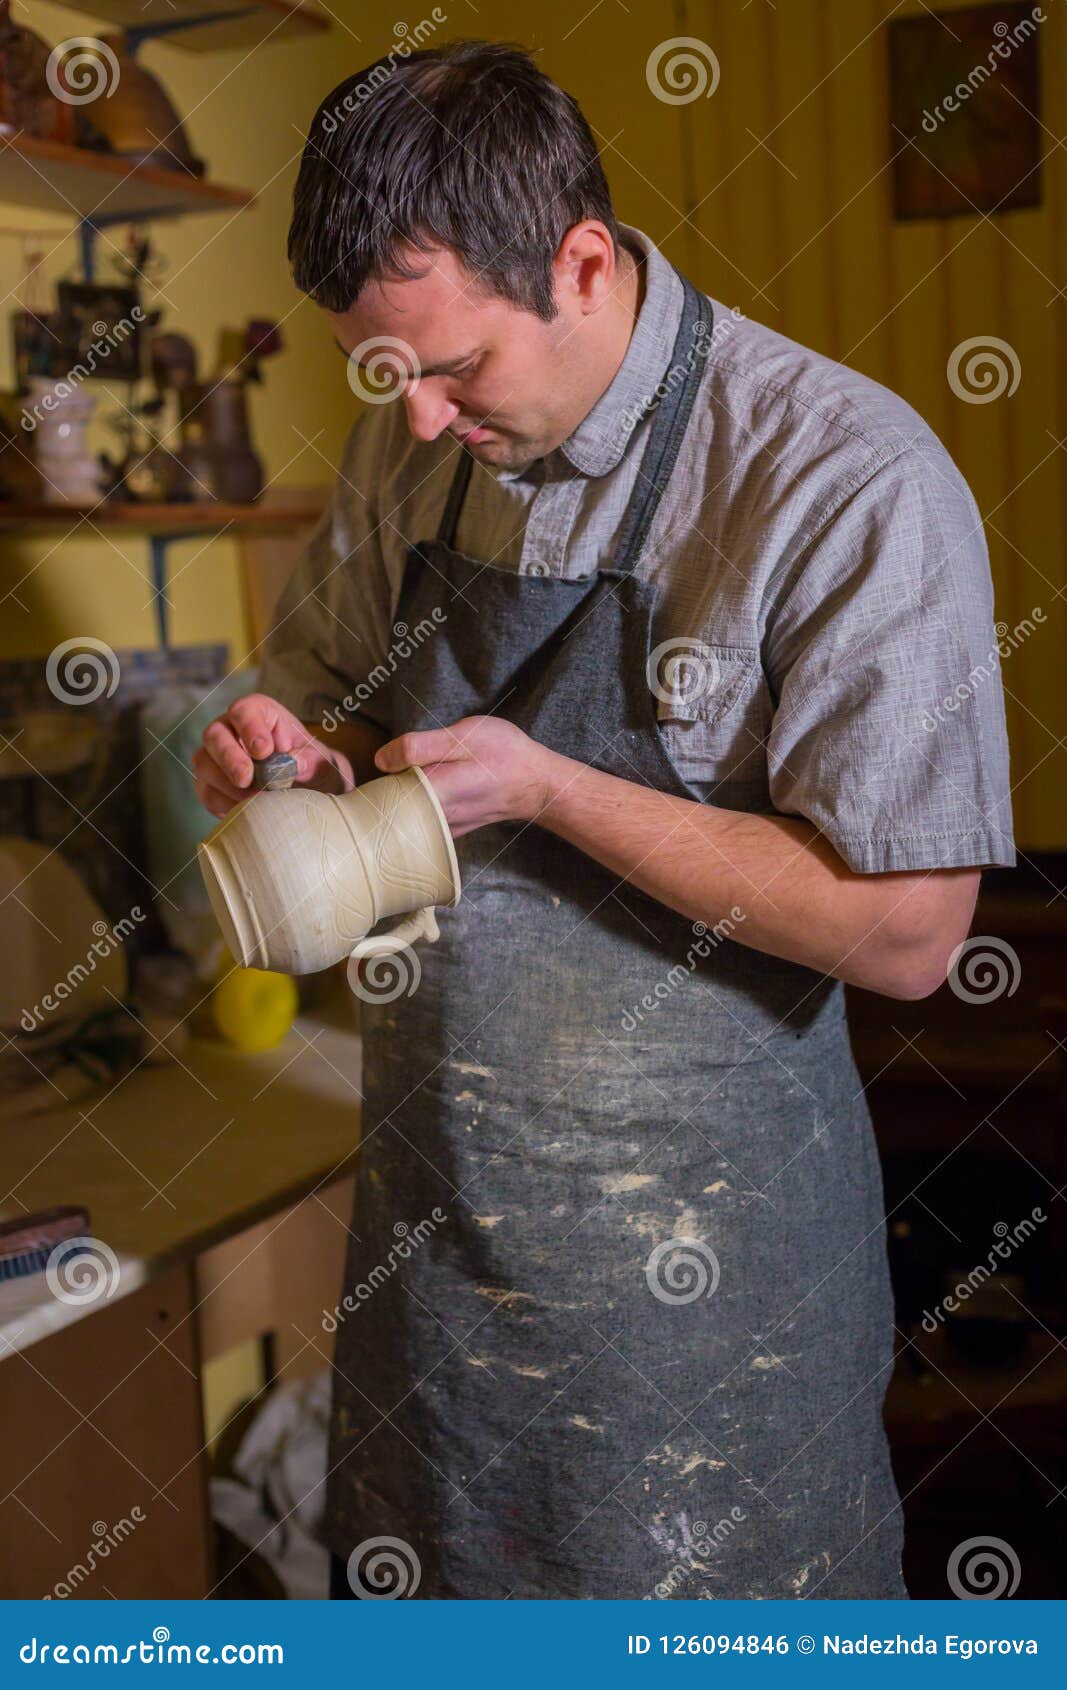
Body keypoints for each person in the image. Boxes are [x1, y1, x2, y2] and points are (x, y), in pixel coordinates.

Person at [193, 41, 1014, 1600]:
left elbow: (912, 934)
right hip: (437, 1274)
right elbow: (331, 712)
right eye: (387, 374)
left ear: (580, 261)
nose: (418, 420)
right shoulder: (412, 442)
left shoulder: (840, 478)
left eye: (454, 369)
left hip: (713, 1320)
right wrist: (285, 756)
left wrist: (554, 787)